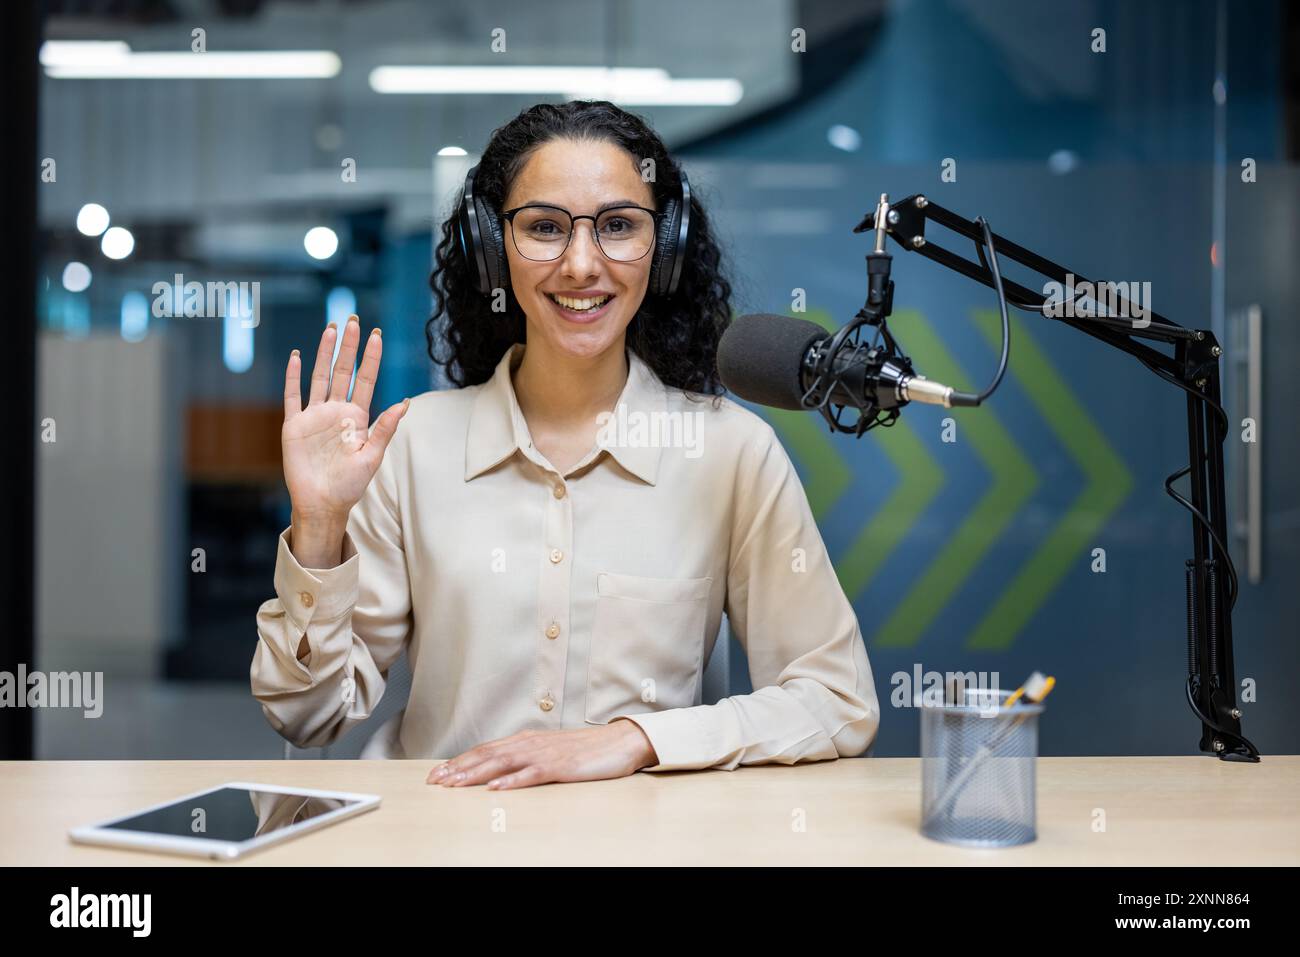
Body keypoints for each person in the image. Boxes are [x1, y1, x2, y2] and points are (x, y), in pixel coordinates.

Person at [251, 100, 879, 790]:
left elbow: (838, 702)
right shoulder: (413, 446)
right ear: (492, 249)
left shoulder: (730, 452)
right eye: (545, 227)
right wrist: (317, 528)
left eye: (618, 226)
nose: (582, 264)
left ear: (664, 250)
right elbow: (305, 716)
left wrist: (639, 738)